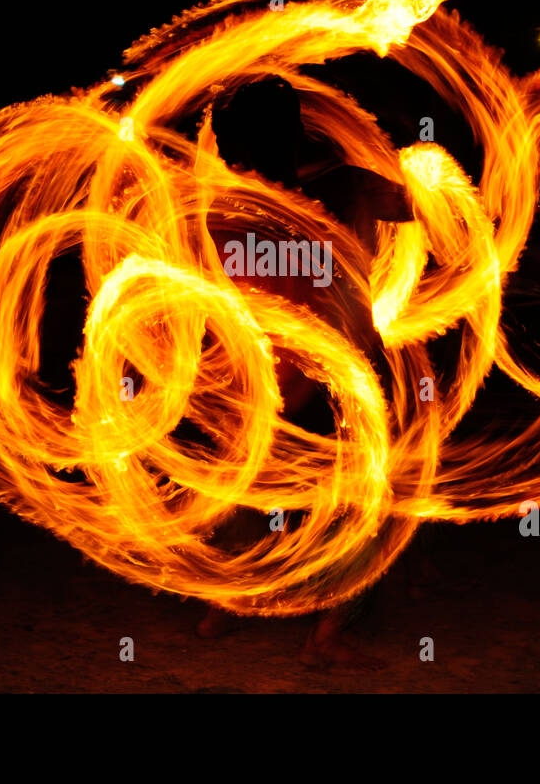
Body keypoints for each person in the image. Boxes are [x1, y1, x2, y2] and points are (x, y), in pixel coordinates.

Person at [196, 78, 411, 669]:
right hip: (305, 377)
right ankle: (319, 626)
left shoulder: (218, 207)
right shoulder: (340, 188)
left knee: (272, 494)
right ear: (297, 132)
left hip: (286, 378)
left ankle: (231, 606)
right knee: (350, 502)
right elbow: (432, 207)